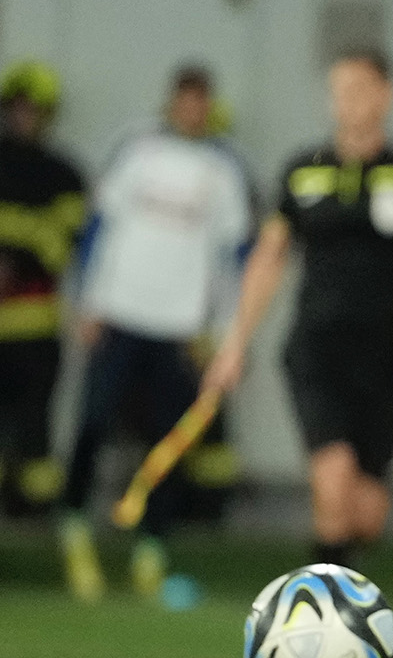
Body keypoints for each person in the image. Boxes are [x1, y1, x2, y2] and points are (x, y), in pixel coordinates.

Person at [204, 50, 393, 567]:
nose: (346, 101)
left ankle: (338, 586)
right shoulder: (303, 171)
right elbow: (267, 260)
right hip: (315, 349)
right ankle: (324, 621)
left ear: (386, 95)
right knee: (332, 485)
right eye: (338, 90)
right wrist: (234, 343)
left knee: (367, 514)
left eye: (358, 88)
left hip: (385, 357)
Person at [58, 64, 252, 600]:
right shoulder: (137, 151)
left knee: (169, 441)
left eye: (200, 103)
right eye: (183, 101)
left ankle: (152, 550)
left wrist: (225, 330)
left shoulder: (224, 169)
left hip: (180, 327)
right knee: (93, 424)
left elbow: (234, 257)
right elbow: (100, 227)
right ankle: (74, 528)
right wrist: (89, 302)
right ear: (172, 103)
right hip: (120, 314)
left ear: (208, 107)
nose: (191, 111)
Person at [0, 59, 88, 519]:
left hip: (35, 322)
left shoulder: (63, 173)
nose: (25, 117)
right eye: (18, 108)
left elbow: (67, 247)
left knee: (35, 426)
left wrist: (17, 254)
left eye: (35, 110)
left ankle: (35, 521)